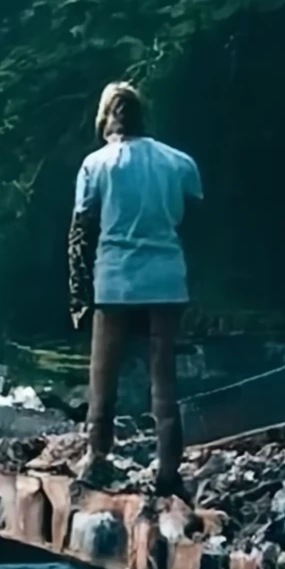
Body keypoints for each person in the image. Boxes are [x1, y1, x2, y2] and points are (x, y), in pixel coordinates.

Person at [68, 82, 203, 497]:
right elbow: (194, 223)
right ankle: (167, 467)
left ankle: (98, 457)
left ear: (106, 117)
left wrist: (78, 294)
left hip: (116, 279)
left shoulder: (96, 164)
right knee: (163, 379)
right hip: (166, 277)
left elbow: (81, 232)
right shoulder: (179, 162)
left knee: (103, 373)